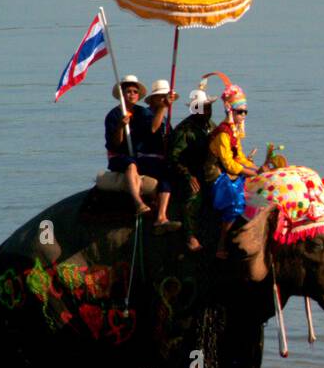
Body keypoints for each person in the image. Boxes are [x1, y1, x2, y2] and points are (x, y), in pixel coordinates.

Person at [104, 74, 180, 232]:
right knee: (131, 165)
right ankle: (138, 202)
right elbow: (115, 144)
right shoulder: (113, 115)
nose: (132, 94)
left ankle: (161, 217)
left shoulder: (141, 113)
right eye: (128, 91)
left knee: (167, 175)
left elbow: (153, 127)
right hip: (120, 156)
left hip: (135, 155)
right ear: (122, 94)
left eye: (135, 92)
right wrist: (120, 127)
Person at [208, 83, 259, 258]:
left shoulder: (234, 131)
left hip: (232, 172)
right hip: (217, 175)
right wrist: (250, 172)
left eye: (245, 112)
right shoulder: (223, 133)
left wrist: (257, 168)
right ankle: (221, 244)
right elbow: (229, 164)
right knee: (235, 202)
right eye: (239, 112)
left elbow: (240, 157)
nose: (243, 115)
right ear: (231, 111)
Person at [169, 88, 219, 252]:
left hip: (210, 170)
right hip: (189, 171)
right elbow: (174, 158)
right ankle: (190, 236)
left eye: (208, 107)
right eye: (203, 107)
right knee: (194, 197)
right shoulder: (184, 130)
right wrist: (188, 176)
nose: (207, 111)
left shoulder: (212, 126)